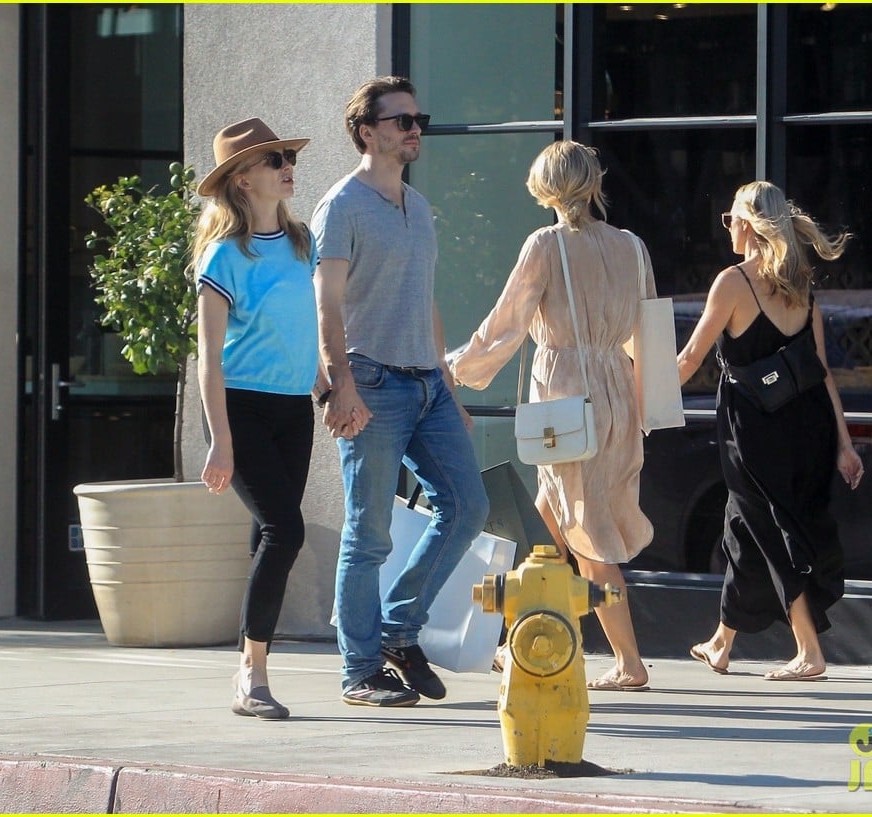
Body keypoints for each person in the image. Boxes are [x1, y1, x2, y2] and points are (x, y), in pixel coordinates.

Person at [447, 141, 655, 692]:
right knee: (545, 527)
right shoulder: (631, 246)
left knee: (588, 530)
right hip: (616, 393)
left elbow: (507, 323)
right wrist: (647, 405)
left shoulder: (546, 244)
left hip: (564, 396)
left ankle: (629, 660)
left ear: (546, 186)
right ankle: (515, 635)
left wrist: (459, 368)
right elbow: (650, 336)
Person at [311, 76, 490, 707]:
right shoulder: (342, 205)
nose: (415, 129)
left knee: (469, 508)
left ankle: (397, 631)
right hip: (373, 383)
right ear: (367, 132)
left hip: (427, 386)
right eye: (401, 120)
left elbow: (425, 301)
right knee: (369, 535)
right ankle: (360, 671)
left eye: (419, 118)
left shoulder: (417, 206)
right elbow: (325, 305)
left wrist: (449, 385)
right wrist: (341, 385)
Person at [676, 180, 864, 681]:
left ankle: (808, 650)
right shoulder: (799, 283)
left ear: (749, 223)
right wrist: (843, 444)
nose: (728, 227)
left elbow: (691, 359)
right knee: (743, 524)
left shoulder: (733, 282)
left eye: (731, 217)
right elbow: (821, 369)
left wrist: (636, 383)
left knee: (770, 530)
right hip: (807, 427)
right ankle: (722, 641)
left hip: (753, 430)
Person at [192, 118, 325, 720]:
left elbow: (305, 325)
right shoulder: (224, 256)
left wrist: (327, 385)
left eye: (285, 156)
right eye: (273, 160)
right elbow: (208, 361)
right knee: (285, 531)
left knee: (266, 536)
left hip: (293, 410)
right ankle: (253, 672)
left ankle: (249, 662)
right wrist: (221, 441)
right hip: (240, 410)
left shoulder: (302, 242)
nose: (285, 166)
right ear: (243, 180)